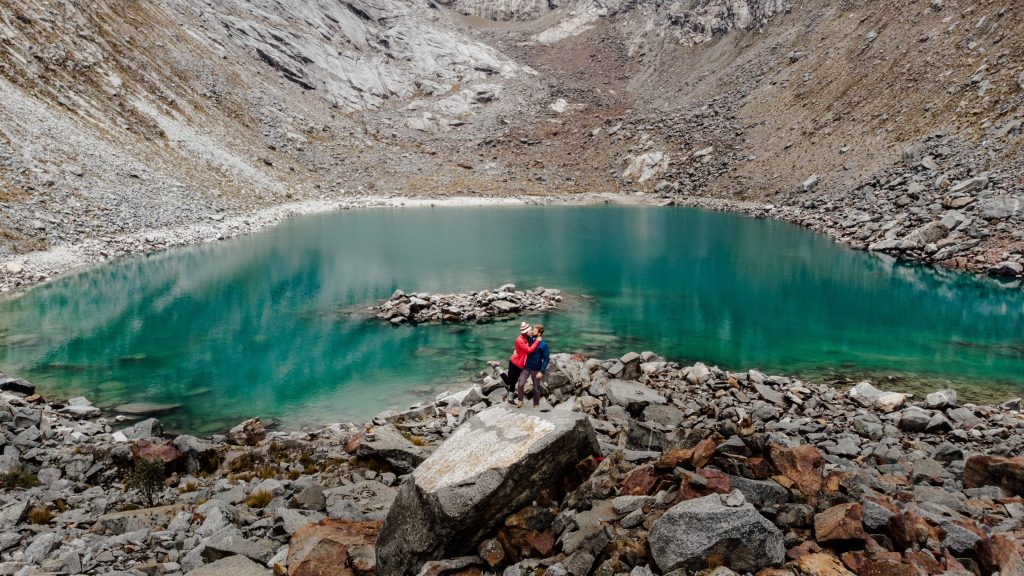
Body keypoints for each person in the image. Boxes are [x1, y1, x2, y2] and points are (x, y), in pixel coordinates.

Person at [500, 322, 540, 401]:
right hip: (514, 363)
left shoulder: (526, 337)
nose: (531, 331)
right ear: (526, 332)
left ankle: (510, 399)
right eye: (530, 330)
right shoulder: (520, 340)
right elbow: (529, 350)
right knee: (509, 382)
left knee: (514, 382)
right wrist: (537, 341)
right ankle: (497, 367)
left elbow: (533, 338)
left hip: (520, 364)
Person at [519, 324, 549, 408]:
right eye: (533, 330)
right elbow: (522, 337)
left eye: (534, 331)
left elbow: (546, 359)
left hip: (536, 369)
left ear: (539, 334)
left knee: (536, 388)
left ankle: (536, 404)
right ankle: (520, 400)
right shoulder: (530, 339)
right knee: (521, 384)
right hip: (526, 367)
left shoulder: (543, 345)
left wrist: (541, 371)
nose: (532, 331)